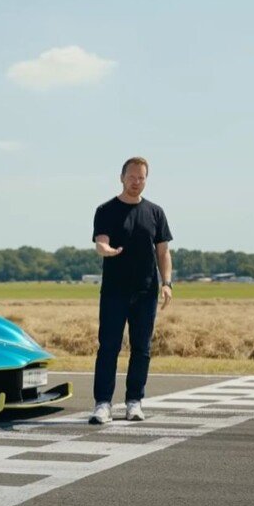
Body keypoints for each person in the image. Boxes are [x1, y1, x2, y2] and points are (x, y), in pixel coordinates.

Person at [89, 156, 173, 424]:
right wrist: (107, 250)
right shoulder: (106, 210)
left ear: (146, 180)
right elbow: (100, 242)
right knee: (109, 347)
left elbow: (163, 251)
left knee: (142, 349)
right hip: (114, 291)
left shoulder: (155, 212)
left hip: (145, 291)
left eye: (141, 178)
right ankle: (103, 404)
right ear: (122, 177)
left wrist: (167, 283)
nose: (136, 182)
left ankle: (134, 402)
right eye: (132, 177)